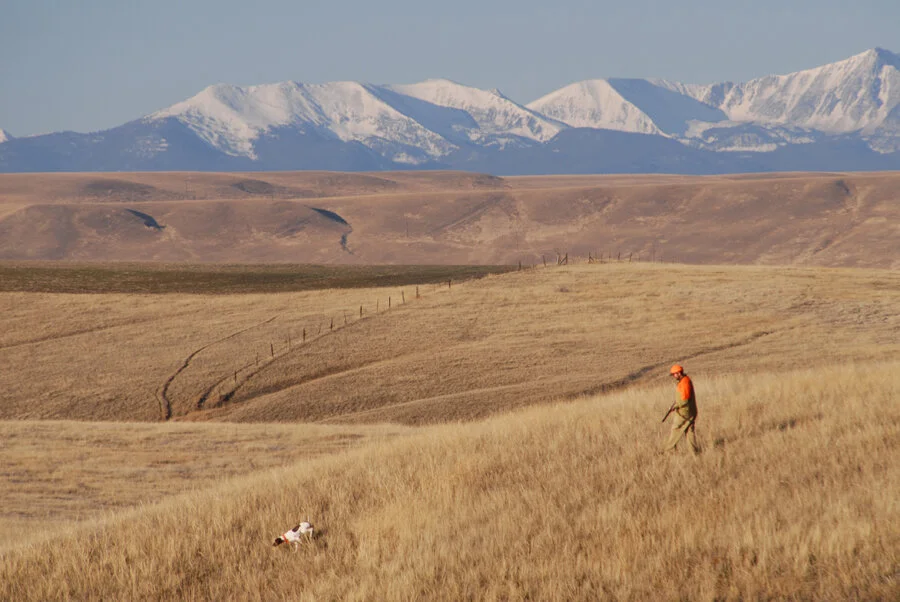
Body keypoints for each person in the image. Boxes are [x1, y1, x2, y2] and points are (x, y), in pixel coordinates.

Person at [663, 364, 700, 453]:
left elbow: (684, 400)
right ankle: (694, 453)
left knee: (675, 430)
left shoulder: (684, 383)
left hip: (684, 413)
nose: (673, 376)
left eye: (674, 374)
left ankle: (668, 451)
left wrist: (675, 407)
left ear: (679, 373)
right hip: (690, 412)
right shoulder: (685, 381)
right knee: (689, 432)